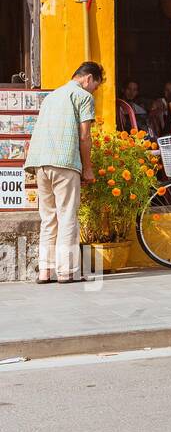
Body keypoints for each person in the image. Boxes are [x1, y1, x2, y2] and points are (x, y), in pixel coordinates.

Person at [24, 62, 103, 283]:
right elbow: (85, 136)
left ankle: (45, 271)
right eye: (95, 86)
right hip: (65, 162)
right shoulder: (83, 97)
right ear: (88, 79)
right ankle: (67, 272)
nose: (93, 91)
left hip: (41, 163)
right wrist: (88, 168)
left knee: (48, 218)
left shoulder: (51, 97)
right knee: (67, 216)